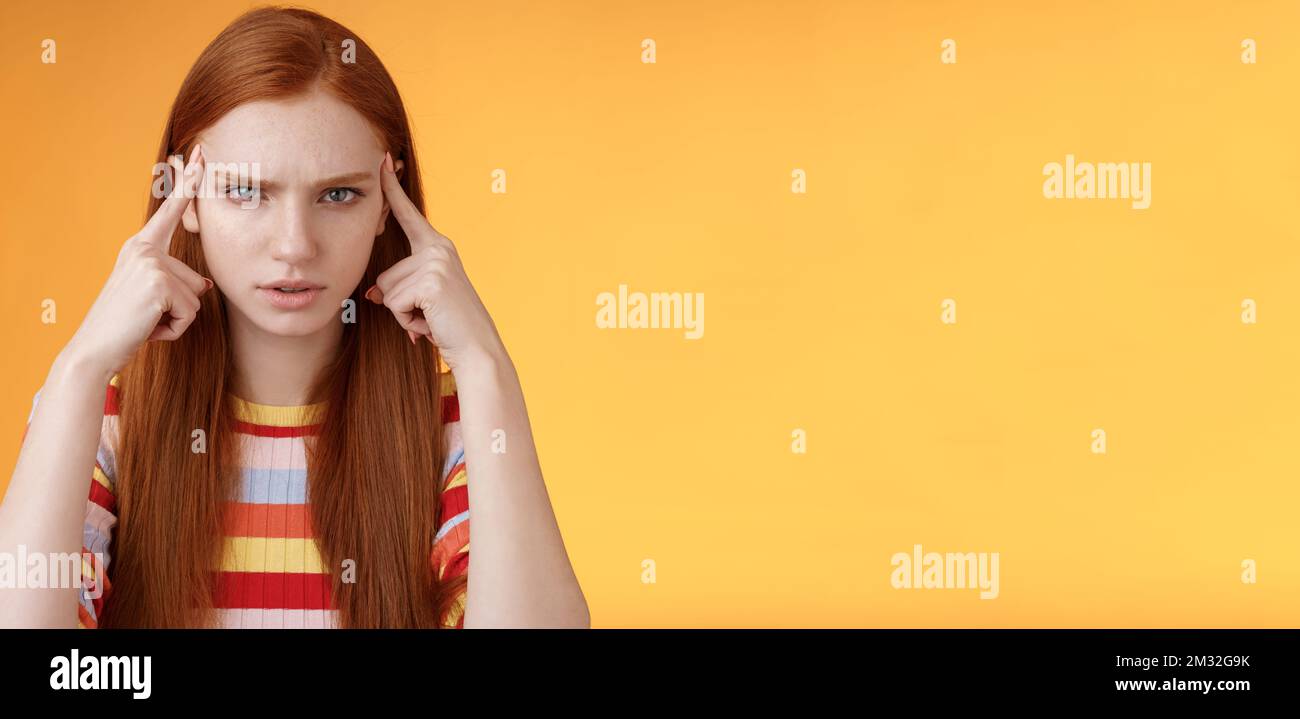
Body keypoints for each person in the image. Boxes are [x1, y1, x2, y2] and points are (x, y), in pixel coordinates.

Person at [0, 7, 588, 629]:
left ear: (389, 205)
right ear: (184, 197)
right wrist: (79, 369)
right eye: (247, 191)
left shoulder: (456, 425)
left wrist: (487, 366)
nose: (295, 246)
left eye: (338, 194)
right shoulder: (98, 422)